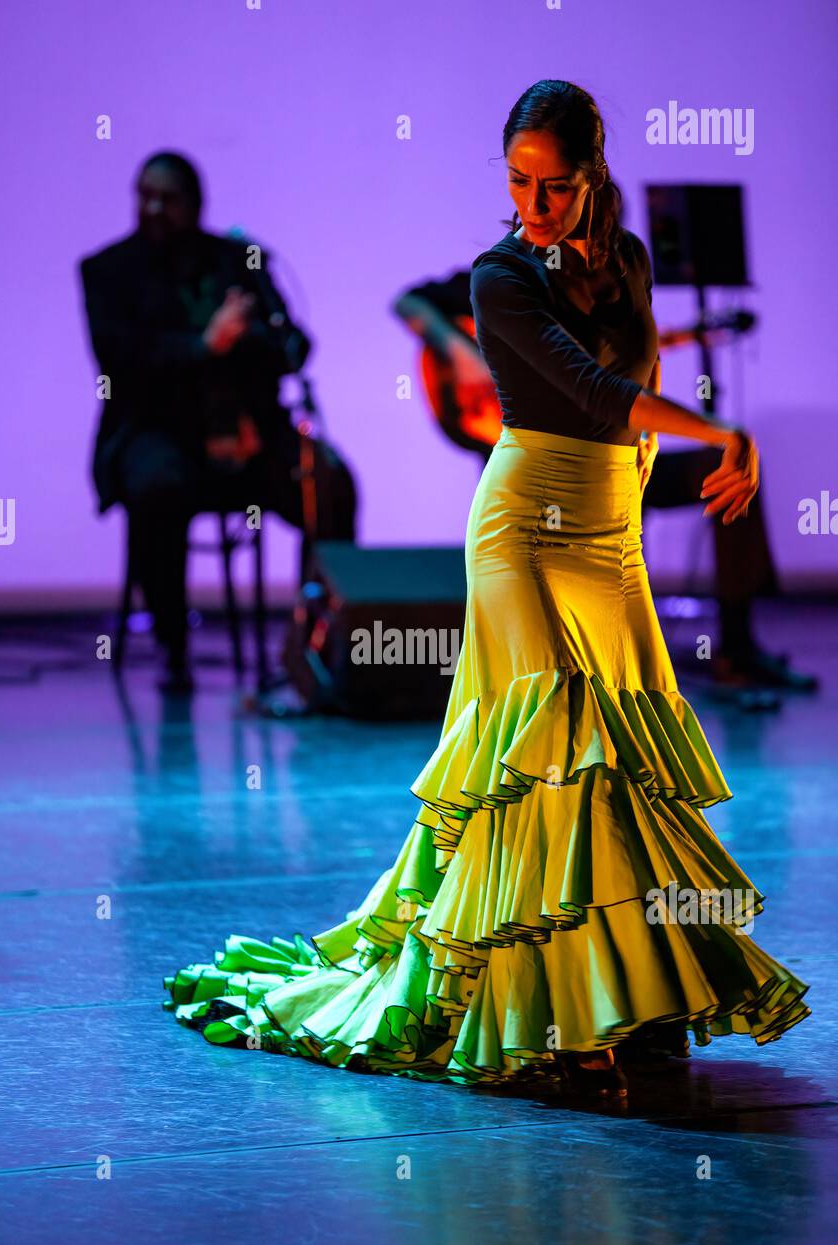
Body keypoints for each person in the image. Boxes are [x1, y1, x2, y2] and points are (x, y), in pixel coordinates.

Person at [164, 82, 810, 1099]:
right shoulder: (499, 274)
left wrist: (660, 461)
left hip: (610, 524)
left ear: (591, 176)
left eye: (554, 185)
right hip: (524, 527)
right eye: (518, 181)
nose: (534, 203)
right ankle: (549, 1013)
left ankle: (630, 995)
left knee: (625, 761)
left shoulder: (629, 262)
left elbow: (626, 389)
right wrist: (723, 433)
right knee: (551, 758)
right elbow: (589, 393)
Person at [393, 266, 815, 692]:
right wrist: (455, 347)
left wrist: (684, 342)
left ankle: (735, 650)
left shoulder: (591, 292)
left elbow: (608, 381)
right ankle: (597, 665)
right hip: (540, 469)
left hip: (608, 452)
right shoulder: (494, 279)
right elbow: (408, 302)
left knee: (726, 469)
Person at [79, 152, 357, 692]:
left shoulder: (241, 259)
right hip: (156, 432)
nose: (154, 208)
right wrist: (206, 344)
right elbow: (121, 360)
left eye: (168, 198)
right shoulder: (107, 271)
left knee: (330, 484)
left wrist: (246, 337)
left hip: (249, 433)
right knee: (156, 487)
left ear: (197, 205)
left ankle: (317, 644)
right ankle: (172, 648)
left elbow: (294, 347)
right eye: (145, 195)